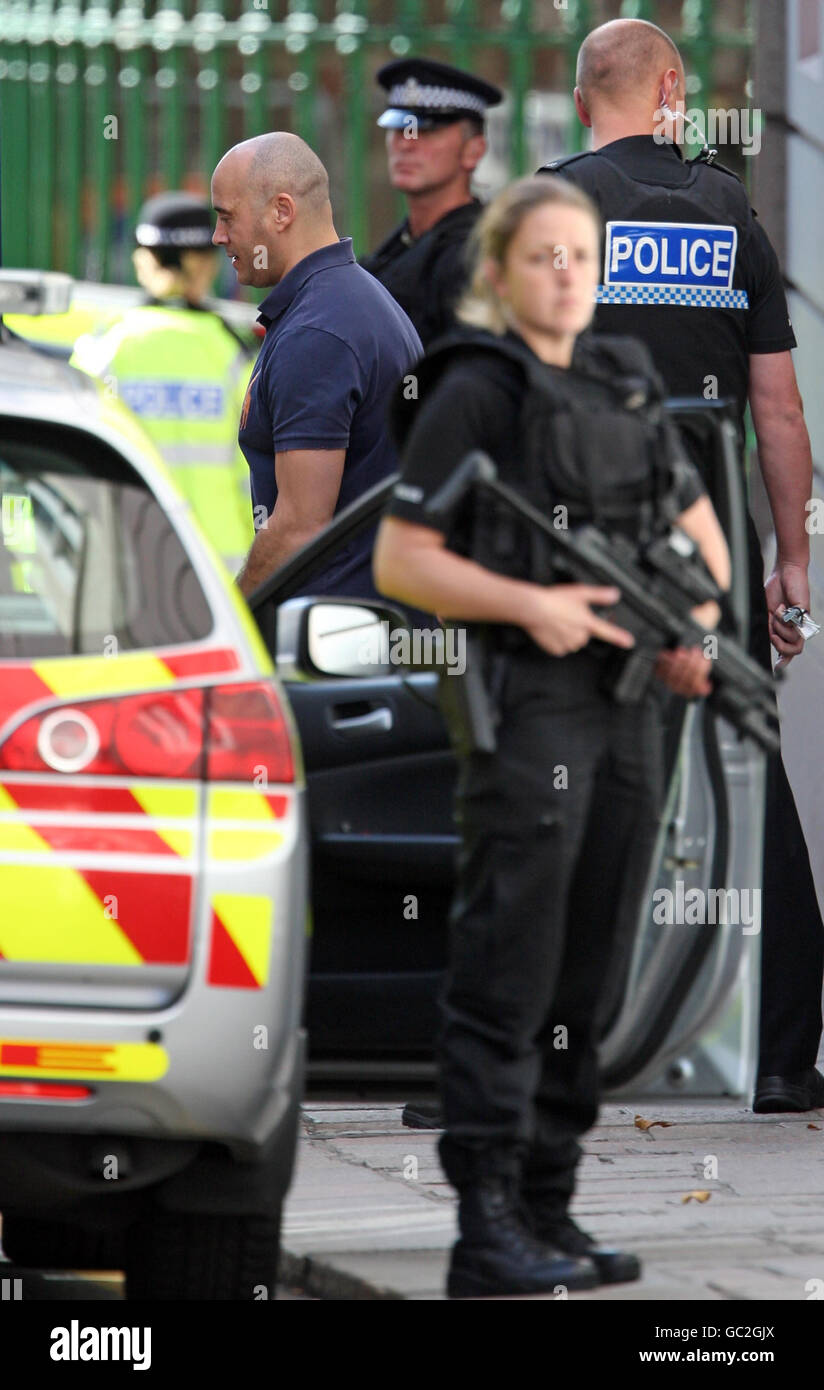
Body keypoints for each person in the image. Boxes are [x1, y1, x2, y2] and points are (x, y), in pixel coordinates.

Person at [373, 175, 731, 1298]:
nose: (566, 273)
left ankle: (547, 1205)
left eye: (581, 255)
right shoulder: (476, 389)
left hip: (631, 703)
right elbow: (402, 558)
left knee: (588, 967)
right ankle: (484, 1226)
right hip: (530, 705)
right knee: (510, 965)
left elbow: (703, 551)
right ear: (497, 272)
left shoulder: (625, 381)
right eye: (542, 256)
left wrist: (695, 632)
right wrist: (532, 604)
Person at [538, 17, 824, 1114]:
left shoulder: (555, 208)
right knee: (741, 775)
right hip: (708, 523)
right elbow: (777, 409)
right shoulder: (724, 209)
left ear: (578, 101)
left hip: (590, 522)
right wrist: (789, 558)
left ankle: (547, 1057)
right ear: (670, 89)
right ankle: (782, 1056)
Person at [210, 132, 421, 600]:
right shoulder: (351, 300)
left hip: (339, 645)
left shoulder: (317, 332)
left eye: (227, 217)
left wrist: (236, 620)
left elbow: (299, 528)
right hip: (370, 632)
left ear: (281, 211)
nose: (218, 236)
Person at [71, 192, 256, 574]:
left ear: (143, 260)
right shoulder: (233, 354)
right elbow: (254, 473)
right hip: (222, 575)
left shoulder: (103, 348)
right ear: (205, 264)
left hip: (128, 569)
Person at [360, 58, 502, 347]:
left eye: (427, 130)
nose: (406, 143)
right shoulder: (404, 241)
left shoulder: (473, 251)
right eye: (398, 129)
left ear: (473, 150)